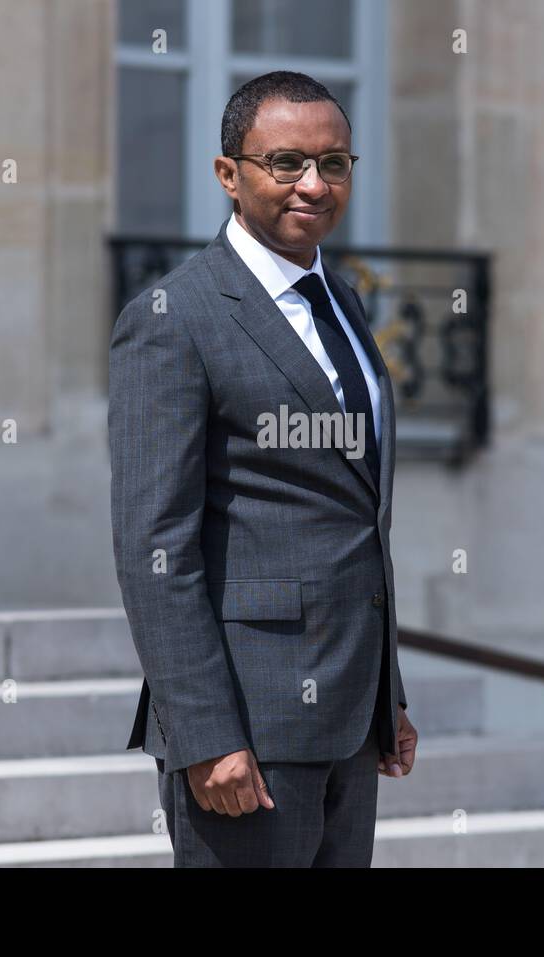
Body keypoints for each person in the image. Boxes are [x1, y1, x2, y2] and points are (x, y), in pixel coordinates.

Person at [109, 70, 418, 867]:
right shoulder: (174, 320)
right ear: (228, 174)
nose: (313, 184)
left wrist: (389, 698)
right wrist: (207, 735)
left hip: (347, 719)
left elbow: (352, 516)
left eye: (335, 163)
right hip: (246, 731)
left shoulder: (343, 303)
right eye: (286, 163)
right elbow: (156, 550)